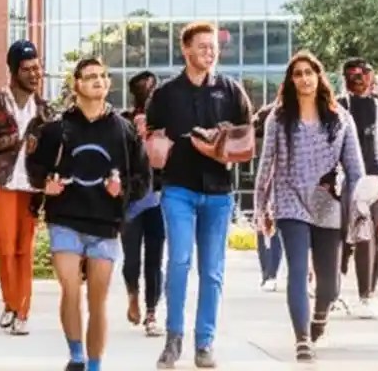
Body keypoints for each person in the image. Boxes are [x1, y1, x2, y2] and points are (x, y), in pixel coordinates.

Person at [25, 56, 151, 371]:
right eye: (90, 76)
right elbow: (34, 167)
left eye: (103, 76)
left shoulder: (123, 130)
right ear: (76, 84)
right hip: (65, 219)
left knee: (97, 299)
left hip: (106, 224)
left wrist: (121, 190)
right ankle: (77, 356)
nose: (98, 80)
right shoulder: (57, 128)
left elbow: (144, 179)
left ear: (108, 84)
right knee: (69, 287)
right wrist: (46, 184)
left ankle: (94, 365)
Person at [147, 21, 254, 369]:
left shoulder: (231, 90)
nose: (210, 52)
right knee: (179, 261)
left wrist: (222, 140)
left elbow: (247, 137)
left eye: (214, 47)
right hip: (178, 188)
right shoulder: (165, 94)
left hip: (219, 192)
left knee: (212, 272)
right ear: (186, 50)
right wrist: (162, 143)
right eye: (203, 46)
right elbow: (150, 135)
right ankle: (173, 338)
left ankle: (205, 341)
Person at [254, 52, 365, 361]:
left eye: (309, 73)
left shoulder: (340, 118)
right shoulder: (278, 118)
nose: (304, 78)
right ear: (291, 80)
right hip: (290, 202)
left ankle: (319, 318)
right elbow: (267, 165)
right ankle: (302, 338)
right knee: (298, 271)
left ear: (319, 77)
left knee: (330, 285)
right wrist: (261, 207)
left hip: (327, 202)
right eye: (298, 73)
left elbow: (355, 170)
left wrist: (358, 209)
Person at [0, 39, 56, 335]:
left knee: (25, 248)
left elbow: (55, 148)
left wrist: (39, 147)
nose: (35, 74)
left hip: (32, 185)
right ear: (13, 71)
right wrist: (13, 141)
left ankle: (22, 309)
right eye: (28, 69)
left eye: (38, 68)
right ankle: (9, 302)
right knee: (5, 248)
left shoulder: (45, 109)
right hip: (3, 183)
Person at [336, 57, 378, 318]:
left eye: (364, 74)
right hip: (345, 178)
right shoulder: (338, 106)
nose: (359, 80)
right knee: (340, 236)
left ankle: (367, 293)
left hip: (374, 177)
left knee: (373, 235)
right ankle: (334, 290)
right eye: (353, 75)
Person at [120, 71, 166, 337]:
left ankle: (151, 313)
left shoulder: (162, 123)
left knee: (155, 258)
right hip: (133, 201)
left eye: (151, 89)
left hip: (158, 199)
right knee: (132, 258)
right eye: (143, 89)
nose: (147, 93)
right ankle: (133, 295)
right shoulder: (124, 122)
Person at [252, 102, 284, 292]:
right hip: (268, 170)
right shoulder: (269, 114)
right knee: (265, 223)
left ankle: (270, 273)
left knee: (276, 226)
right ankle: (268, 274)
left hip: (282, 174)